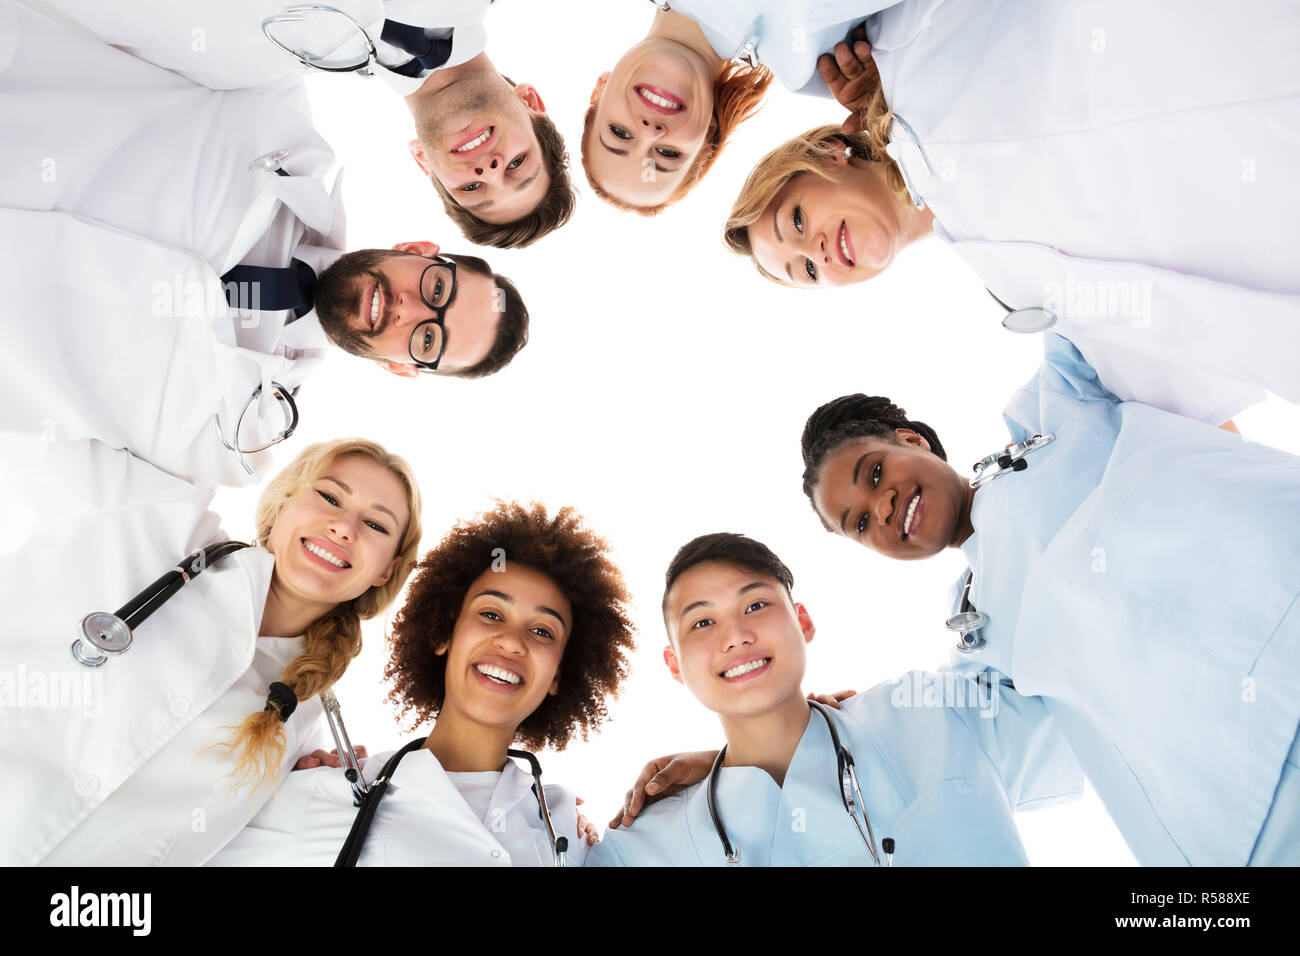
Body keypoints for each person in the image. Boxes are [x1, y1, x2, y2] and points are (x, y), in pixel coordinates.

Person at [798, 333, 1300, 865]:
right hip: (1256, 809)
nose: (882, 507)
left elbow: (1105, 302)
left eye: (874, 473)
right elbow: (933, 747)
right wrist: (827, 734)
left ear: (911, 440)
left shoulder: (1058, 404)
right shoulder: (981, 649)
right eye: (859, 523)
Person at [0, 2, 528, 487]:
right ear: (417, 249)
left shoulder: (231, 437)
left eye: (428, 341)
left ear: (403, 368)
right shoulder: (277, 112)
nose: (410, 311)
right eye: (437, 289)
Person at [723, 0, 1300, 425]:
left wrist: (888, 86)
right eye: (806, 271)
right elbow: (1189, 393)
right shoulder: (1021, 293)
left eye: (796, 221)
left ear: (825, 154)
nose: (815, 253)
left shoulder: (907, 47)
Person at [0, 436, 423, 865]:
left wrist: (305, 799)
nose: (344, 527)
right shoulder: (155, 520)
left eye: (376, 525)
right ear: (283, 502)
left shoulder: (304, 735)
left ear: (387, 569)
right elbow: (33, 419)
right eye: (330, 496)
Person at [586, 532, 1080, 867]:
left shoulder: (928, 714)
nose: (735, 636)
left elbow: (1071, 673)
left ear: (803, 622)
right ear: (674, 665)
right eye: (702, 622)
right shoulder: (645, 848)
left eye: (756, 605)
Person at [210, 501, 636, 866]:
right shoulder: (326, 792)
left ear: (559, 674)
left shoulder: (564, 826)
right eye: (490, 614)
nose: (511, 641)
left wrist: (698, 763)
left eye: (543, 632)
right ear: (444, 636)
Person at [22, 0, 575, 248]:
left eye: (473, 188)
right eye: (520, 166)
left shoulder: (242, 71)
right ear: (532, 101)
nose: (489, 168)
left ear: (422, 163)